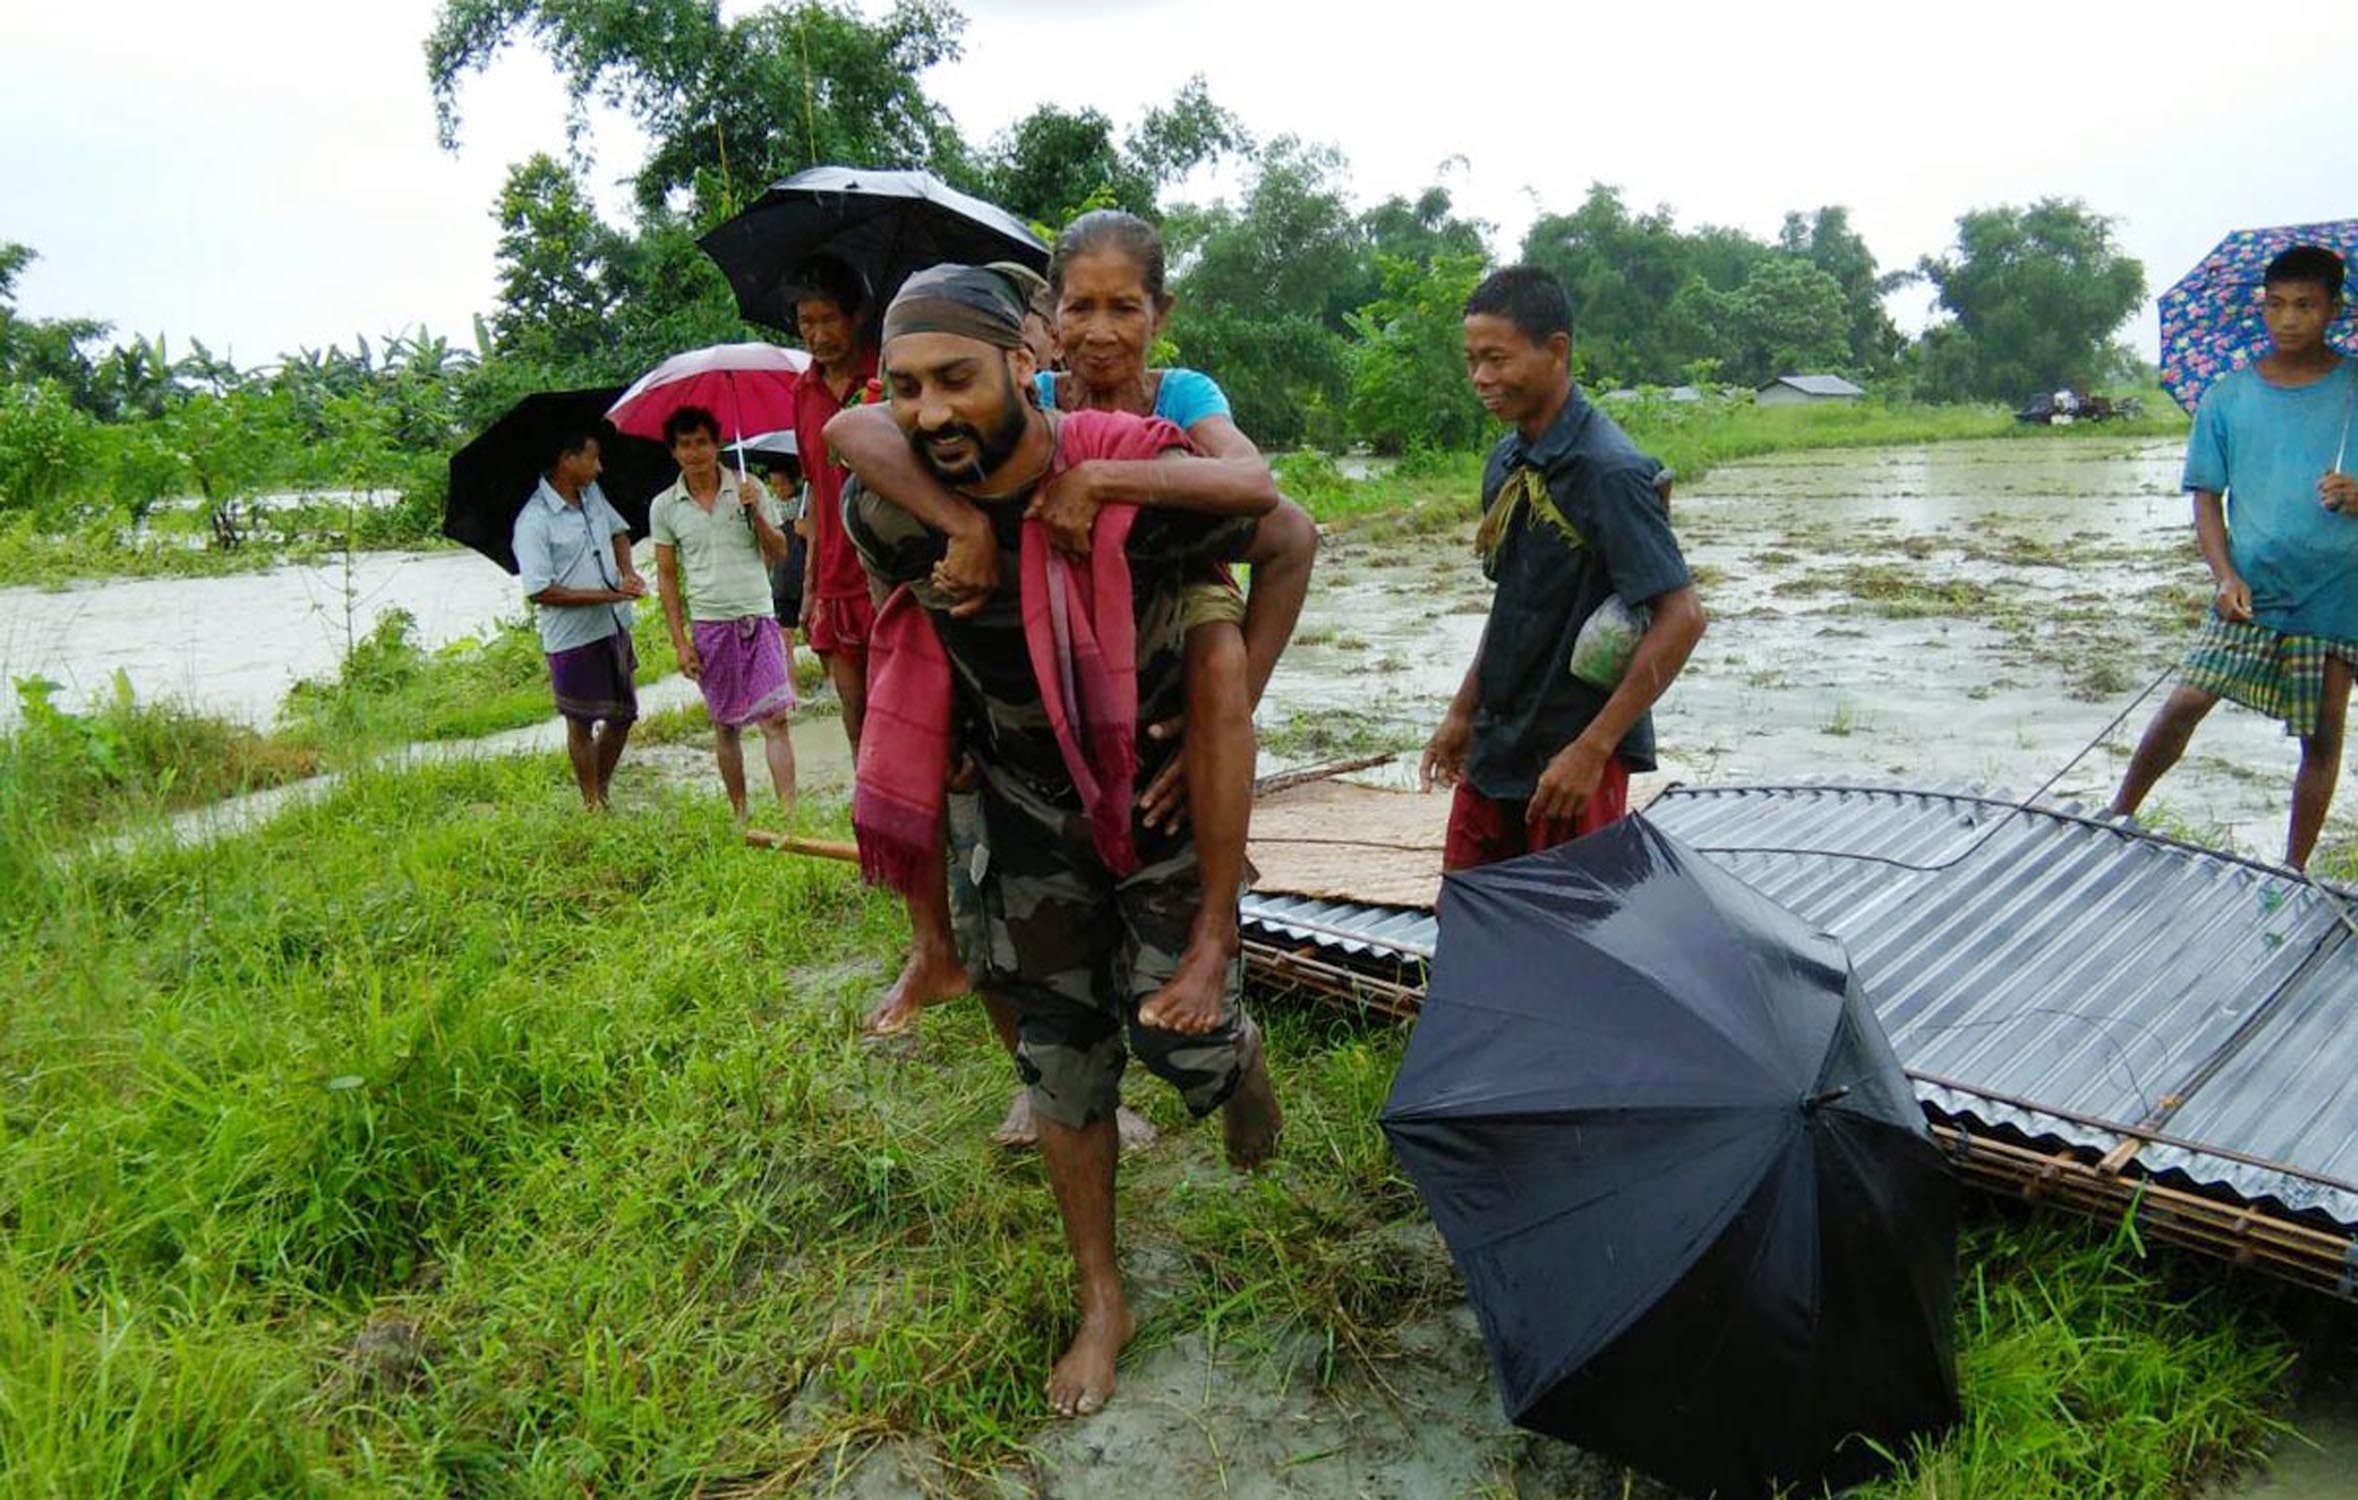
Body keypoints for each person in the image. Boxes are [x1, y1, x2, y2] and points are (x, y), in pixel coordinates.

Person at [833, 264, 1284, 1418]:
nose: (930, 413)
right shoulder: (886, 503)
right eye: (906, 387)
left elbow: (1283, 529)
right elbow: (893, 588)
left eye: (956, 381)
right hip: (1027, 819)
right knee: (1060, 1065)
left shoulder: (1134, 471)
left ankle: (1238, 1067)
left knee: (1184, 1042)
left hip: (1155, 804)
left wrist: (1223, 704)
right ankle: (1102, 1298)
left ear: (1020, 373)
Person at [833, 212, 1316, 1066]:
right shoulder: (1036, 400)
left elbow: (1257, 490)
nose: (1100, 332)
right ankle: (953, 956)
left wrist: (1100, 477)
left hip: (1180, 583)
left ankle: (1212, 928)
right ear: (1046, 323)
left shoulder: (1183, 396)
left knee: (1216, 660)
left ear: (1160, 313)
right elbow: (858, 431)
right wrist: (960, 524)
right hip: (1054, 603)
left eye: (1124, 309)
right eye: (1080, 309)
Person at [1420, 265, 1707, 869]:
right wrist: (1462, 712)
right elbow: (1511, 605)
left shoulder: (1611, 471)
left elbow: (1680, 618)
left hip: (1573, 757)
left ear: (1557, 351)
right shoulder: (1507, 462)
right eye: (1472, 360)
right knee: (1470, 911)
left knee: (1570, 937)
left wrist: (1594, 749)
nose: (1480, 378)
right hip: (1501, 745)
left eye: (1497, 359)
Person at [2109, 244, 2358, 869]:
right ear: (2261, 309)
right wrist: (2224, 575)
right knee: (2188, 700)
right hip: (2252, 587)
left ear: (2334, 308)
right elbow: (2206, 498)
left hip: (2338, 592)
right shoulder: (2228, 398)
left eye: (2305, 305)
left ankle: (2292, 869)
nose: (2289, 319)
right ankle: (2118, 815)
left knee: (2322, 733)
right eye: (2276, 305)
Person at [650, 405, 799, 822]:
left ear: (717, 444)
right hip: (710, 625)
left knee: (775, 720)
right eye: (685, 444)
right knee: (724, 724)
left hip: (758, 614)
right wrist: (680, 643)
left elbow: (780, 552)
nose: (695, 452)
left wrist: (756, 513)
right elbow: (666, 576)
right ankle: (741, 817)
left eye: (702, 442)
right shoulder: (665, 506)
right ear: (674, 451)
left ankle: (790, 818)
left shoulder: (749, 488)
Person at [511, 424, 648, 809]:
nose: (600, 467)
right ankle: (592, 802)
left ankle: (599, 790)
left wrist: (626, 571)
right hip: (572, 637)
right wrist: (608, 594)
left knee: (623, 715)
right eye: (592, 457)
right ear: (566, 461)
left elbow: (620, 531)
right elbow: (540, 590)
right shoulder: (533, 521)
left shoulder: (592, 495)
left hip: (613, 624)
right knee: (581, 720)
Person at [789, 258, 883, 751]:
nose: (818, 334)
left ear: (856, 317)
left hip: (891, 572)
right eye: (807, 322)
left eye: (828, 319)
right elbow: (816, 494)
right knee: (856, 709)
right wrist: (810, 589)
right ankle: (871, 817)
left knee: (909, 709)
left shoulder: (887, 379)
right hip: (835, 580)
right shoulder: (801, 393)